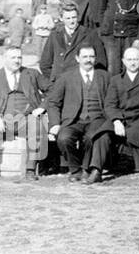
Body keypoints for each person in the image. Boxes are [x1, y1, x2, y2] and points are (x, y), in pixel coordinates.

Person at [45, 44, 114, 183]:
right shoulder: (66, 77)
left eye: (91, 56)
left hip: (97, 118)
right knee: (64, 138)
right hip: (73, 120)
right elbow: (53, 102)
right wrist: (54, 123)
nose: (88, 60)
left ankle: (86, 169)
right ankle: (75, 169)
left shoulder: (105, 76)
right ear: (77, 58)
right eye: (85, 57)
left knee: (91, 137)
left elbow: (113, 101)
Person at [0, 46, 43, 182]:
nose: (17, 61)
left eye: (19, 57)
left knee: (36, 127)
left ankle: (30, 170)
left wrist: (42, 107)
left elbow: (52, 91)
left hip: (25, 119)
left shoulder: (32, 74)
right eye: (13, 57)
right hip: (1, 119)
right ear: (5, 59)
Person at [104, 45, 139, 182]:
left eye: (135, 59)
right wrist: (116, 121)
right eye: (129, 59)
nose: (133, 62)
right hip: (123, 118)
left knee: (133, 132)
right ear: (123, 61)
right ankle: (95, 169)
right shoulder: (116, 80)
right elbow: (110, 104)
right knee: (102, 133)